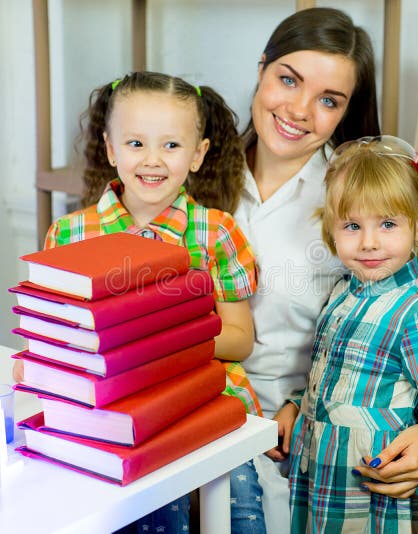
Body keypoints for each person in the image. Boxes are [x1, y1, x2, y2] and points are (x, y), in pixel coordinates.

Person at [14, 71, 265, 533]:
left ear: (198, 155)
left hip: (208, 401)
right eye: (135, 144)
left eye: (171, 145)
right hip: (106, 414)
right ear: (110, 148)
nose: (153, 160)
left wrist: (158, 352)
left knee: (238, 503)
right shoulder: (69, 235)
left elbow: (240, 339)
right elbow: (54, 342)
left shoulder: (216, 231)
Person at [233, 7, 418, 531]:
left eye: (328, 100)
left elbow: (409, 331)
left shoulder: (352, 208)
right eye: (288, 80)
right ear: (261, 69)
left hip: (292, 449)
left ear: (346, 113)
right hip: (179, 428)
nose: (299, 110)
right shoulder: (193, 169)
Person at [276, 135, 418, 532]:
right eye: (352, 225)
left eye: (388, 224)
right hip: (319, 496)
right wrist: (297, 404)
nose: (369, 242)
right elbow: (335, 383)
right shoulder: (341, 294)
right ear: (332, 229)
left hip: (371, 509)